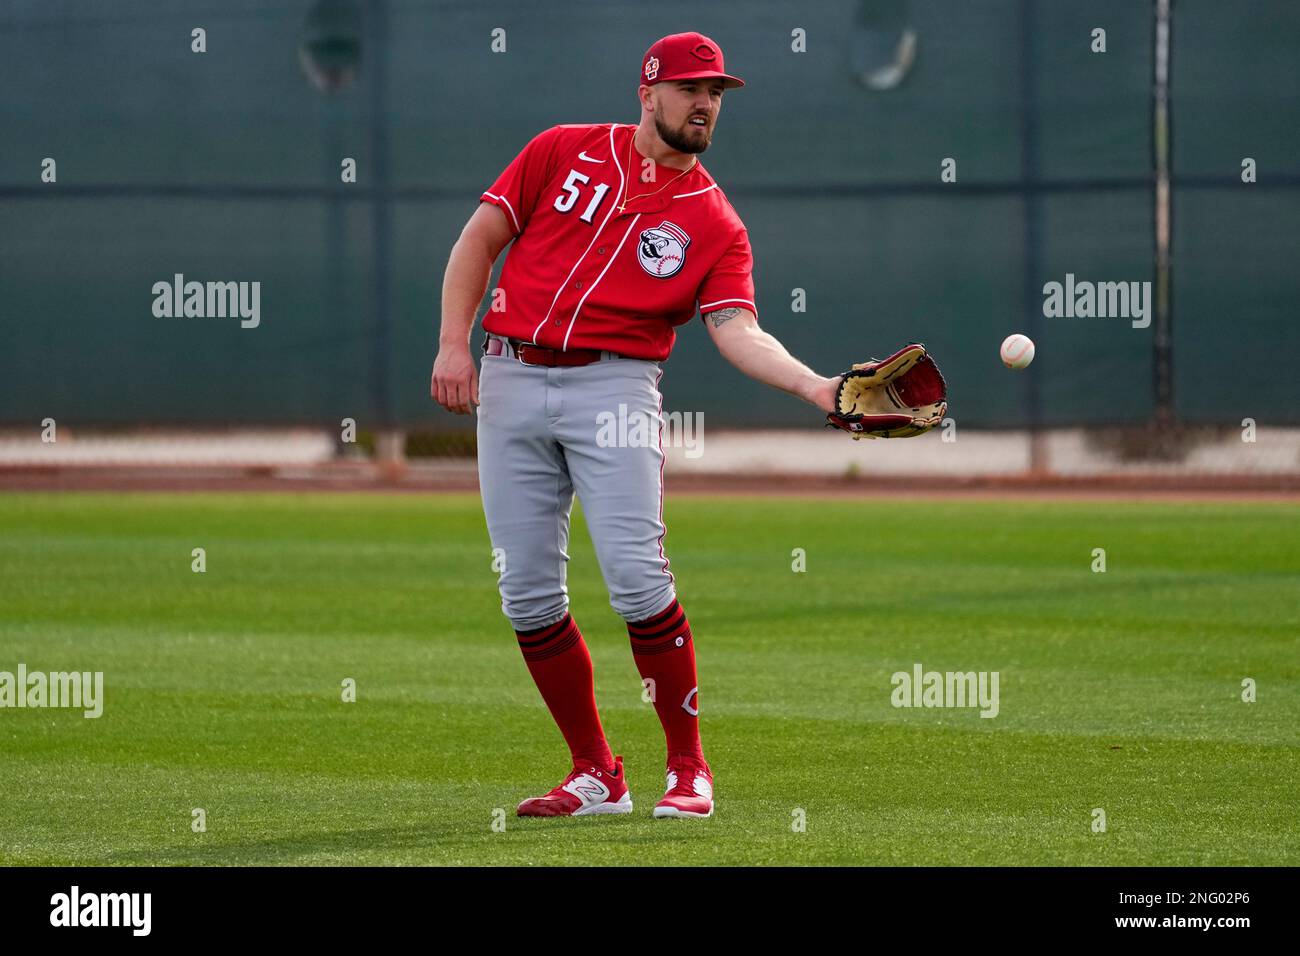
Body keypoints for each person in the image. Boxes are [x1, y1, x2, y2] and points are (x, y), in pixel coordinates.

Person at [431, 31, 839, 819]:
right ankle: (596, 774)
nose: (706, 104)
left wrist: (817, 387)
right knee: (526, 594)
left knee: (638, 579)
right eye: (691, 89)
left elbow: (737, 330)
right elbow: (478, 240)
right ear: (647, 93)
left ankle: (688, 769)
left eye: (716, 92)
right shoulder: (562, 150)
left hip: (613, 389)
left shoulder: (715, 221)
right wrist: (455, 343)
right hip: (510, 373)